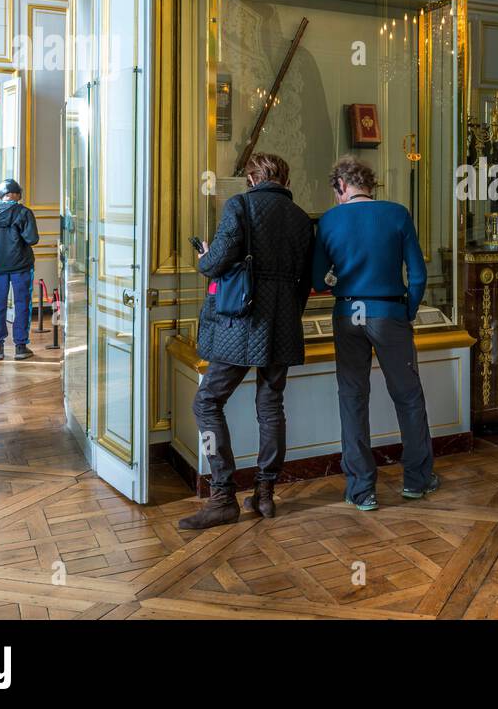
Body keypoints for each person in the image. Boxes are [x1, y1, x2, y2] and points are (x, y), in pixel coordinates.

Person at [180, 152, 314, 531]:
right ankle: (265, 494)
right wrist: (287, 313)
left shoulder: (240, 205)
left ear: (252, 179)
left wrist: (205, 256)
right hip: (283, 322)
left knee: (207, 401)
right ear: (284, 179)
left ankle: (222, 495)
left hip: (242, 322)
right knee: (271, 405)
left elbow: (214, 264)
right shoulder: (302, 218)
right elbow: (305, 281)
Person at [312, 155, 438, 512]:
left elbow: (318, 281)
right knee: (408, 397)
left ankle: (362, 489)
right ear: (370, 184)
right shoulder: (397, 213)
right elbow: (418, 274)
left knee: (353, 398)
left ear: (341, 186)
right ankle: (416, 480)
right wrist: (407, 310)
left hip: (348, 312)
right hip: (388, 312)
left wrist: (340, 278)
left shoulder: (330, 220)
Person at [0, 179, 40, 361]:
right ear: (18, 194)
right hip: (21, 264)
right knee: (22, 304)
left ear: (0, 195)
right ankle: (21, 347)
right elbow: (32, 239)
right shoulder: (24, 212)